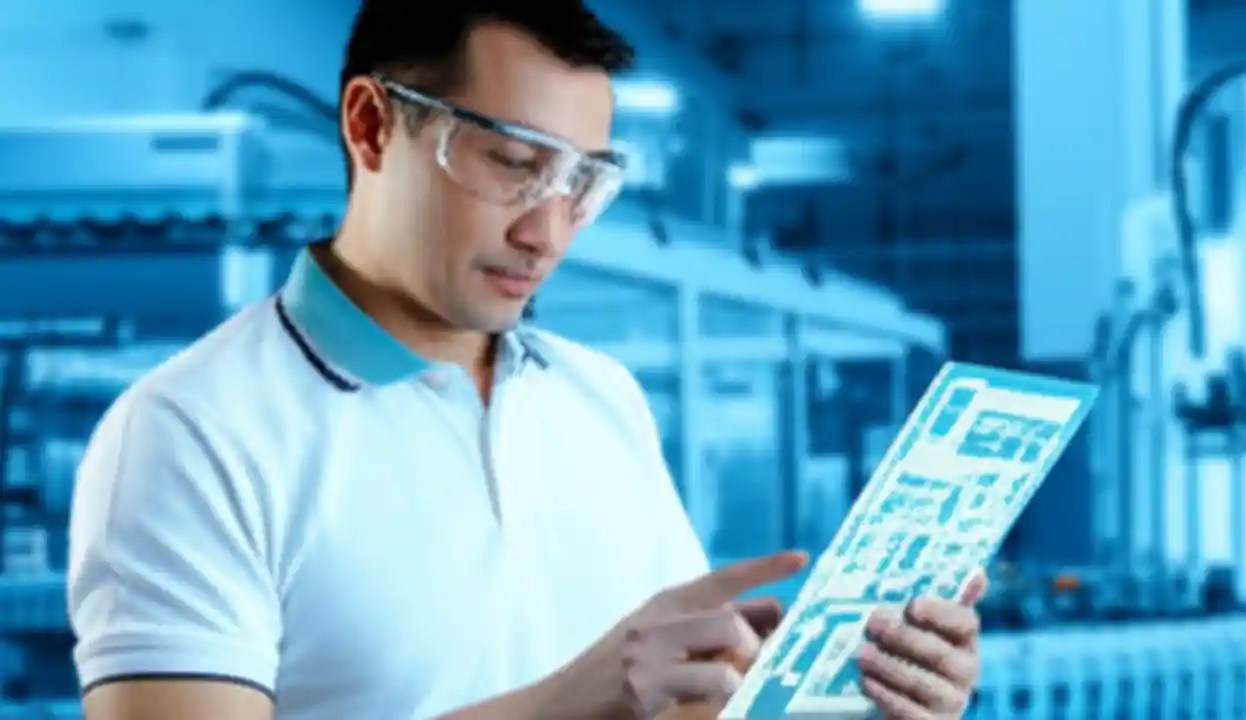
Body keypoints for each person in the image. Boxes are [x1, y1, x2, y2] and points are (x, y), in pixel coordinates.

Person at [65, 1, 987, 718]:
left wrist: (870, 692)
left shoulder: (598, 397)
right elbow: (603, 695)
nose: (548, 232)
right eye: (513, 164)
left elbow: (680, 703)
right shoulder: (193, 433)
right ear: (371, 125)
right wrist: (564, 704)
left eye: (584, 182)